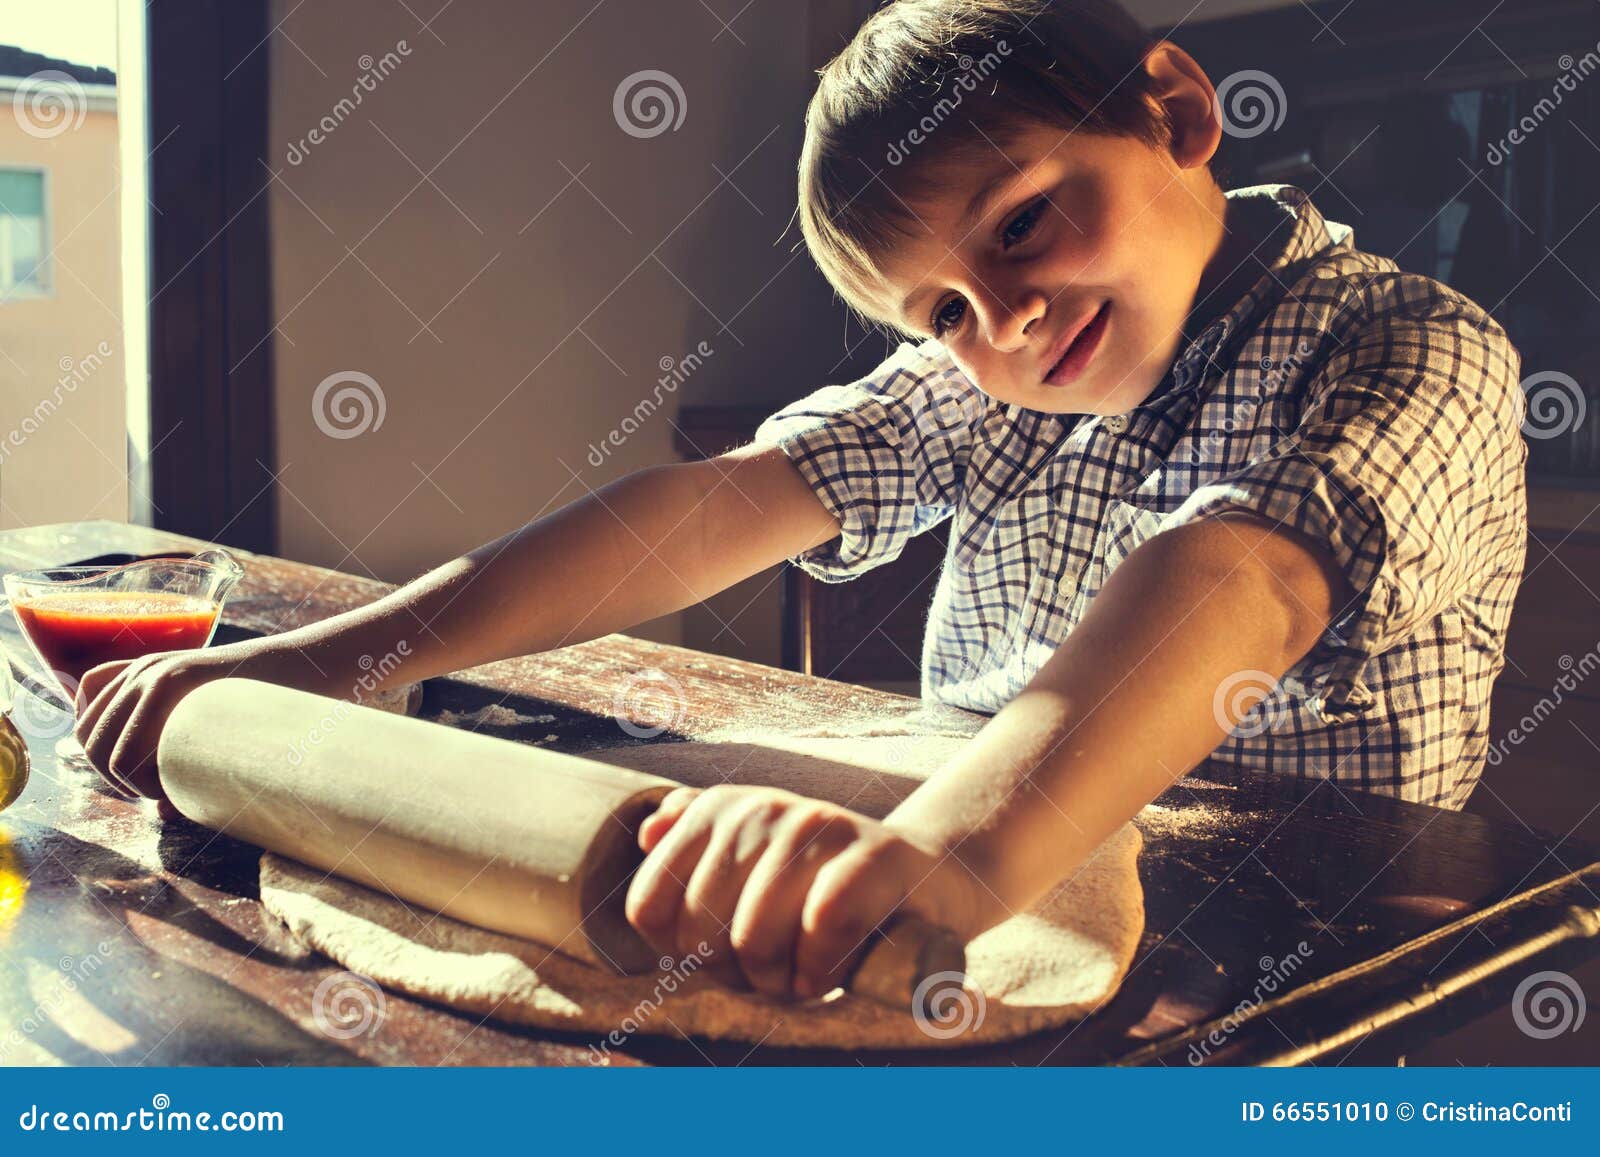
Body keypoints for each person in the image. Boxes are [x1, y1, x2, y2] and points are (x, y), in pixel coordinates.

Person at [73, 0, 1527, 1001]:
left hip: (1281, 945)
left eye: (1022, 221)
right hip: (941, 882)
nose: (1006, 319)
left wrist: (954, 855)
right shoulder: (984, 387)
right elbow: (714, 505)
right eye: (944, 311)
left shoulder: (1412, 350)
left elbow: (1242, 581)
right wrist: (347, 656)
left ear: (1176, 110)